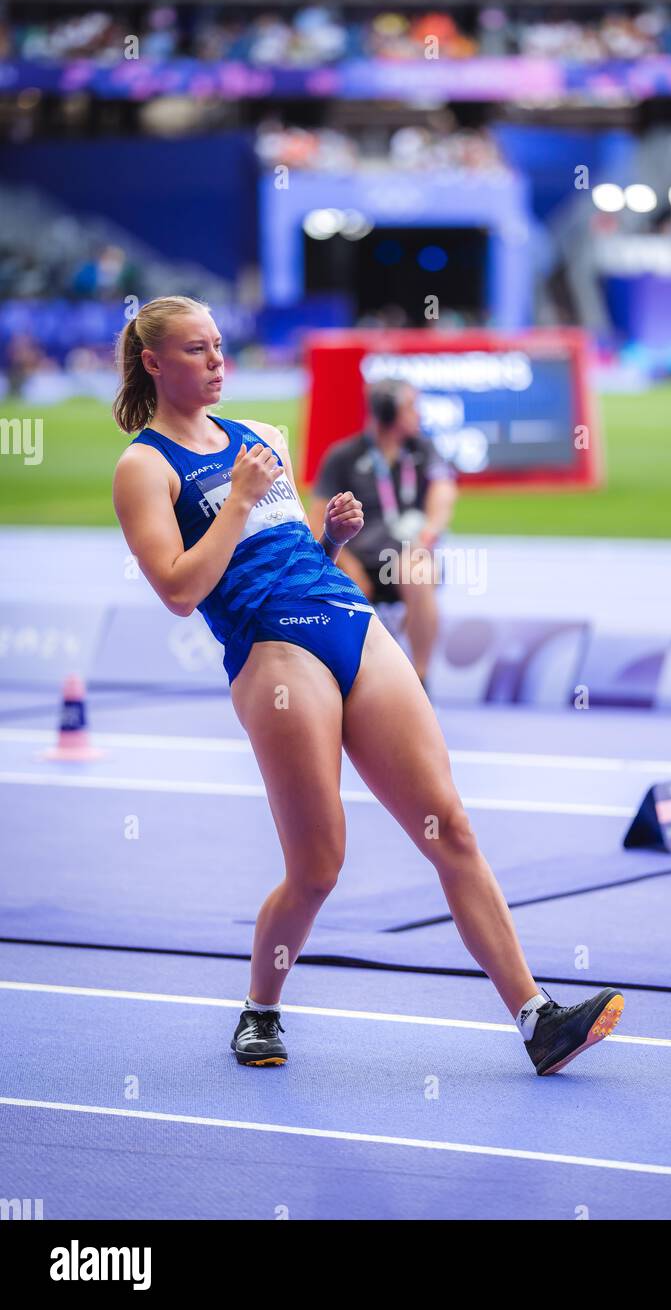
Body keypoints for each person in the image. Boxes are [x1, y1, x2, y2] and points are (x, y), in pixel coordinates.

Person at [111, 295, 624, 1075]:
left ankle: (537, 1019)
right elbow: (181, 588)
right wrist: (243, 497)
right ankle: (261, 1007)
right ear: (154, 362)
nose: (217, 361)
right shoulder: (144, 467)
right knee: (319, 866)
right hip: (274, 652)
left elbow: (278, 547)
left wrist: (330, 539)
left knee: (448, 825)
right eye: (195, 351)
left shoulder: (260, 438)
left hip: (348, 618)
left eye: (219, 346)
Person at [309, 377, 455, 689]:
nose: (419, 414)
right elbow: (316, 517)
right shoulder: (343, 456)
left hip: (406, 555)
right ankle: (345, 681)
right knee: (329, 583)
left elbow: (443, 493)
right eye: (411, 407)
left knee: (417, 571)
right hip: (356, 560)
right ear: (387, 413)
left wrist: (428, 534)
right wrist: (348, 567)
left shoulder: (423, 449)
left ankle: (420, 679)